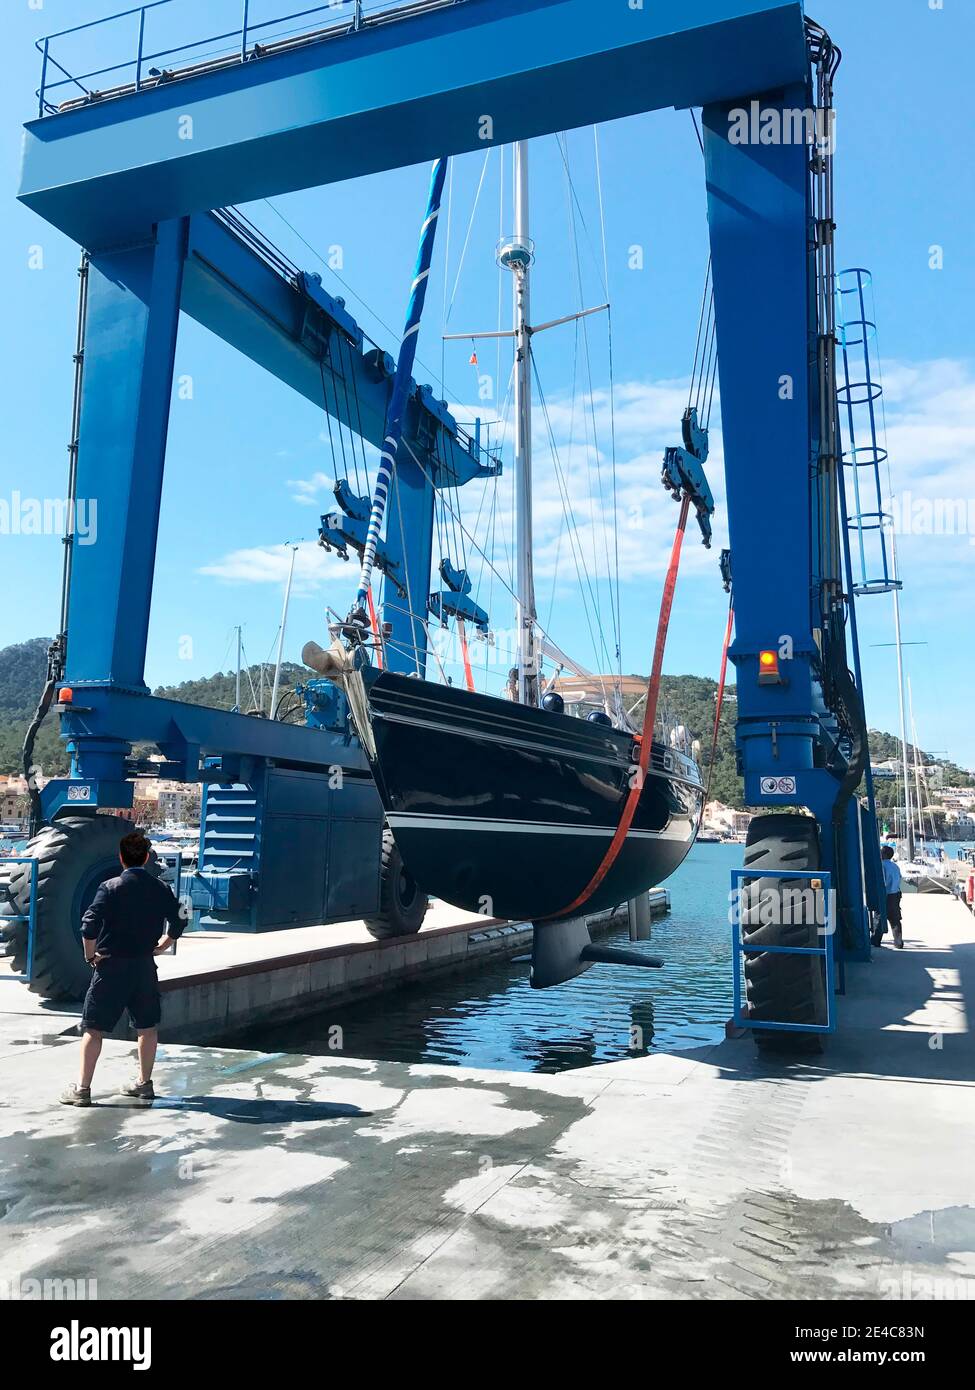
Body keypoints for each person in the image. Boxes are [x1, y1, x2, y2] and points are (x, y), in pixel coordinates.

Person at [60, 830, 185, 1107]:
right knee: (147, 1026)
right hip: (143, 966)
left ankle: (82, 1089)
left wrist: (90, 956)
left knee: (93, 1028)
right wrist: (164, 944)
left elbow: (89, 925)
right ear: (146, 857)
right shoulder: (160, 888)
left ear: (121, 858)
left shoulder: (110, 887)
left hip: (111, 966)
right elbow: (180, 917)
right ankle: (143, 1084)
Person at [878, 844, 903, 950]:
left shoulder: (882, 866)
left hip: (886, 894)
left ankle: (876, 940)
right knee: (895, 919)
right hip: (896, 894)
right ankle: (898, 941)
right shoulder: (895, 866)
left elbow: (882, 881)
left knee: (879, 917)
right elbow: (900, 878)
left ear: (883, 854)